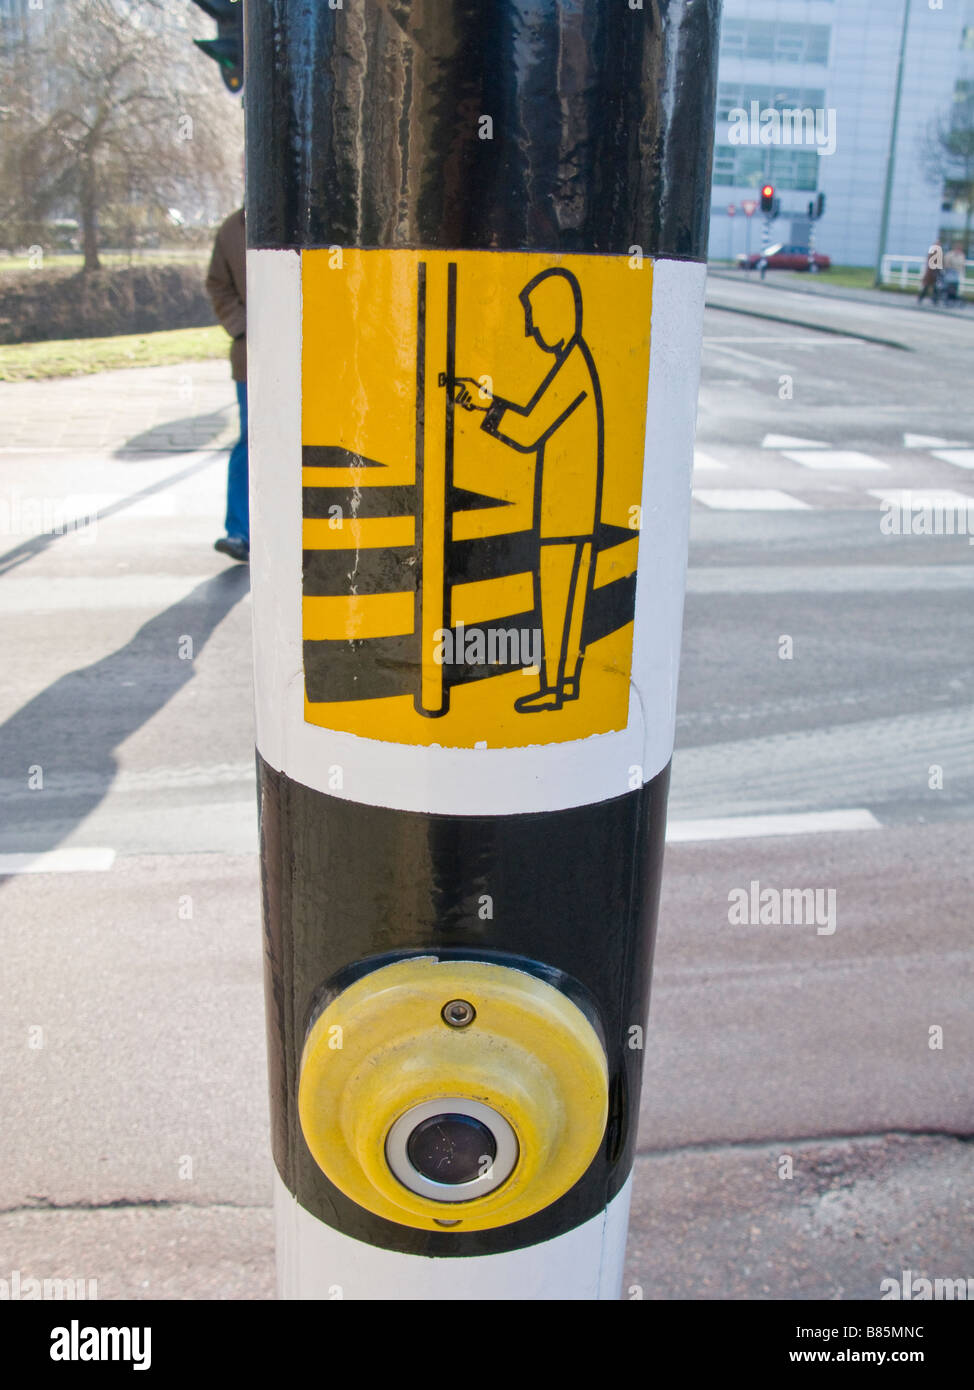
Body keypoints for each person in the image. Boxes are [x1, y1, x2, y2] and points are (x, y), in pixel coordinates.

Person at [453, 267, 603, 713]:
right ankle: (566, 684)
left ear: (559, 313)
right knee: (571, 598)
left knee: (559, 596)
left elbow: (530, 430)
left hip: (566, 510)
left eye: (536, 316)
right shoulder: (576, 362)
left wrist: (485, 407)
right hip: (575, 507)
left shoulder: (572, 367)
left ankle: (555, 687)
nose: (531, 327)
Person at [206, 207, 249, 562]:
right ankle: (239, 532)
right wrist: (245, 326)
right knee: (251, 442)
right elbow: (217, 284)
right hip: (251, 359)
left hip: (310, 359)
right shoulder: (233, 228)